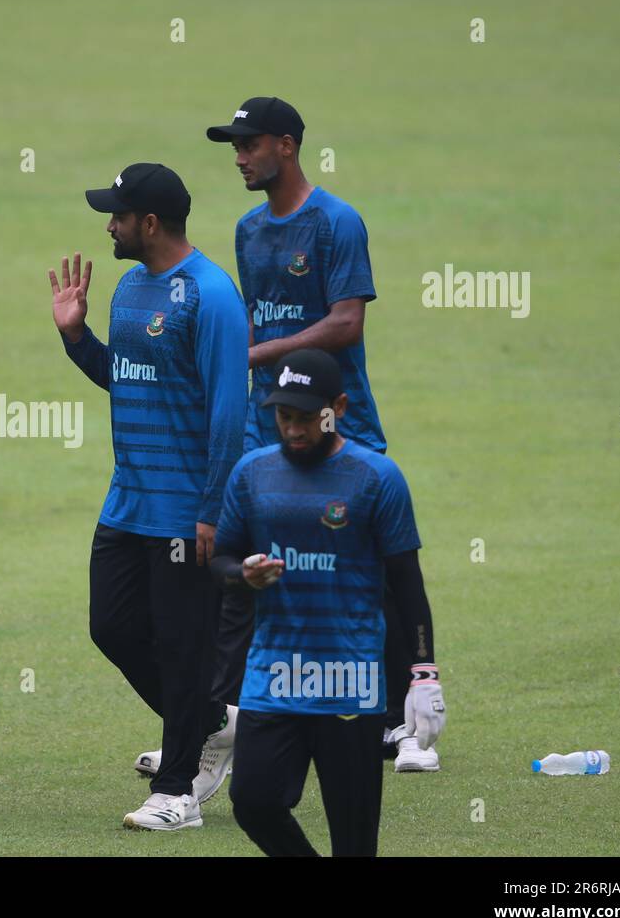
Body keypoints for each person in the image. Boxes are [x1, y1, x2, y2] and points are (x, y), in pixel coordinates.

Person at [195, 96, 437, 773]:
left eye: (249, 145)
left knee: (375, 574)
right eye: (234, 147)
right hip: (263, 424)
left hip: (341, 421)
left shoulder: (336, 222)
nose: (239, 158)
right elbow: (249, 320)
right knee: (249, 572)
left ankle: (398, 720)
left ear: (287, 146)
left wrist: (261, 354)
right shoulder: (247, 229)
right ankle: (230, 718)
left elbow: (346, 322)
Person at [50, 163, 248, 830]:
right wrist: (77, 338)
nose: (109, 224)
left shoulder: (212, 295)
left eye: (118, 215)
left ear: (151, 223)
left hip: (184, 507)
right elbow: (129, 379)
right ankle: (209, 723)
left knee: (180, 644)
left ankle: (177, 793)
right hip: (127, 501)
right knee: (110, 625)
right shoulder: (130, 287)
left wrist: (212, 510)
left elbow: (228, 411)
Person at [211, 348, 445, 856]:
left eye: (305, 418)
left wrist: (423, 674)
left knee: (354, 840)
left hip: (351, 682)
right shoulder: (251, 474)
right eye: (283, 416)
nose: (293, 429)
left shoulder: (377, 478)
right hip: (273, 675)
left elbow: (407, 585)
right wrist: (242, 575)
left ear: (337, 407)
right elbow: (222, 558)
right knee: (253, 802)